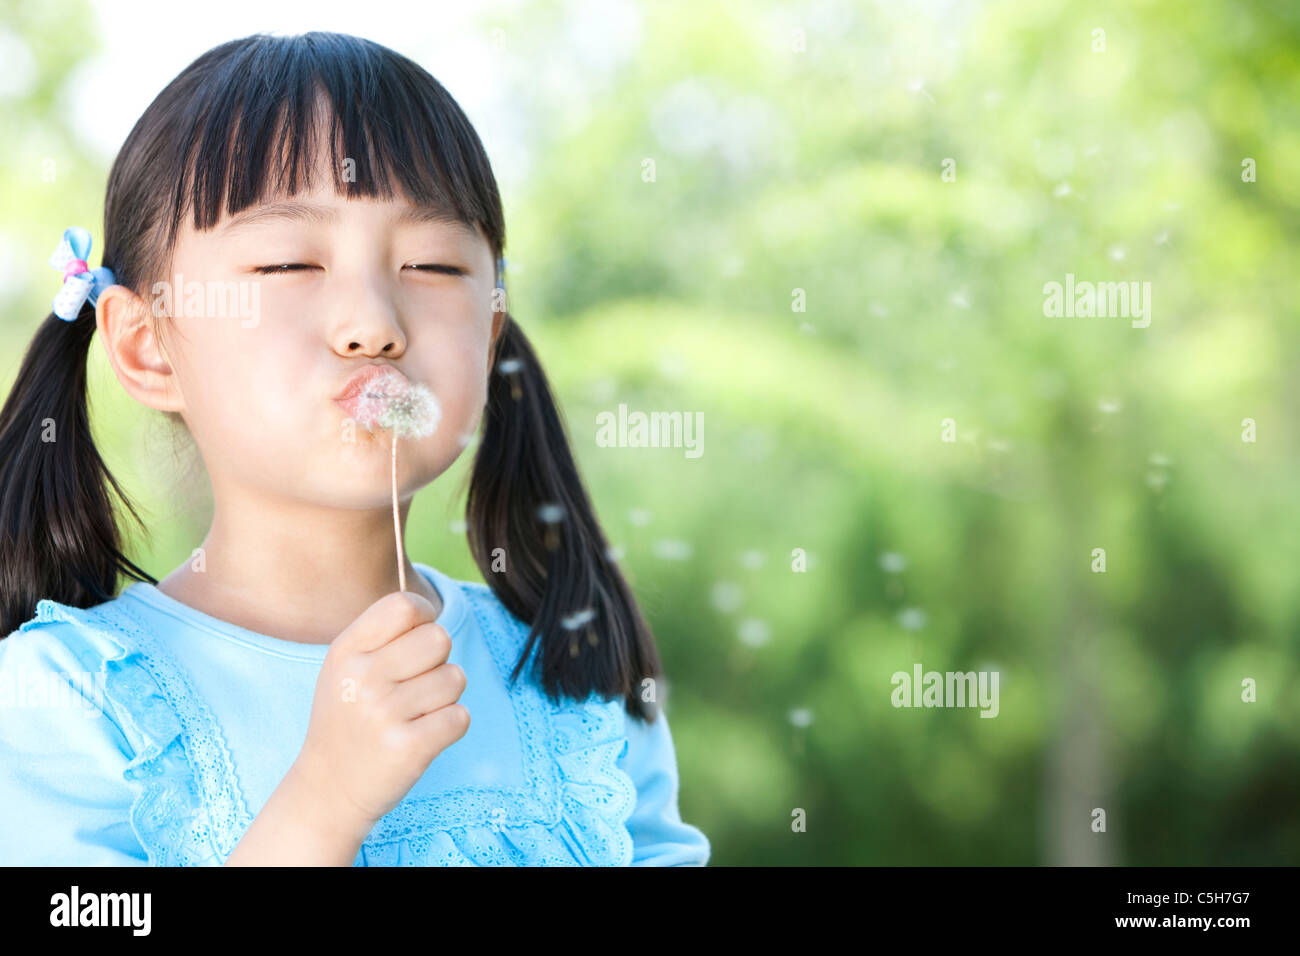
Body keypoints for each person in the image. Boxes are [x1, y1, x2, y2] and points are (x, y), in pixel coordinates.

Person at [0, 31, 709, 867]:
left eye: (434, 265)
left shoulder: (570, 677)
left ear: (489, 337)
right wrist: (325, 802)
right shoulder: (64, 702)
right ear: (148, 345)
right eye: (290, 262)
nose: (374, 324)